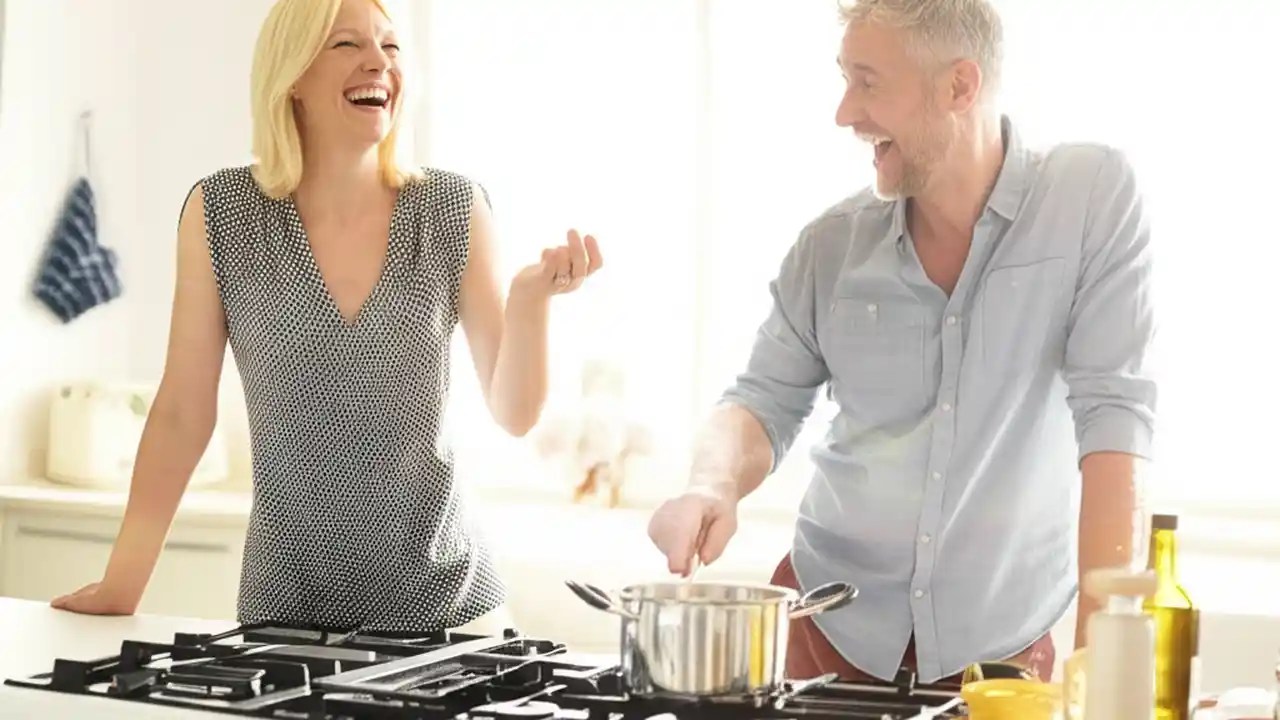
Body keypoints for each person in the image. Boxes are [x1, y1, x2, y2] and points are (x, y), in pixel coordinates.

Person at [51, 0, 603, 635]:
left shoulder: (453, 207)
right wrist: (123, 586)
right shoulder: (221, 213)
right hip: (286, 613)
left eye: (391, 47)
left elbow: (515, 413)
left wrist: (530, 303)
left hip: (451, 614)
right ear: (292, 78)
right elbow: (180, 412)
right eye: (346, 45)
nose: (378, 62)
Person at [647, 0, 1155, 685]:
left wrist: (1107, 668)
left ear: (959, 86)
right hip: (827, 631)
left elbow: (1114, 420)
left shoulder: (1088, 199)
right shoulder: (831, 247)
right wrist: (709, 486)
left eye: (868, 81)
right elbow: (760, 400)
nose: (844, 113)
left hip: (998, 655)